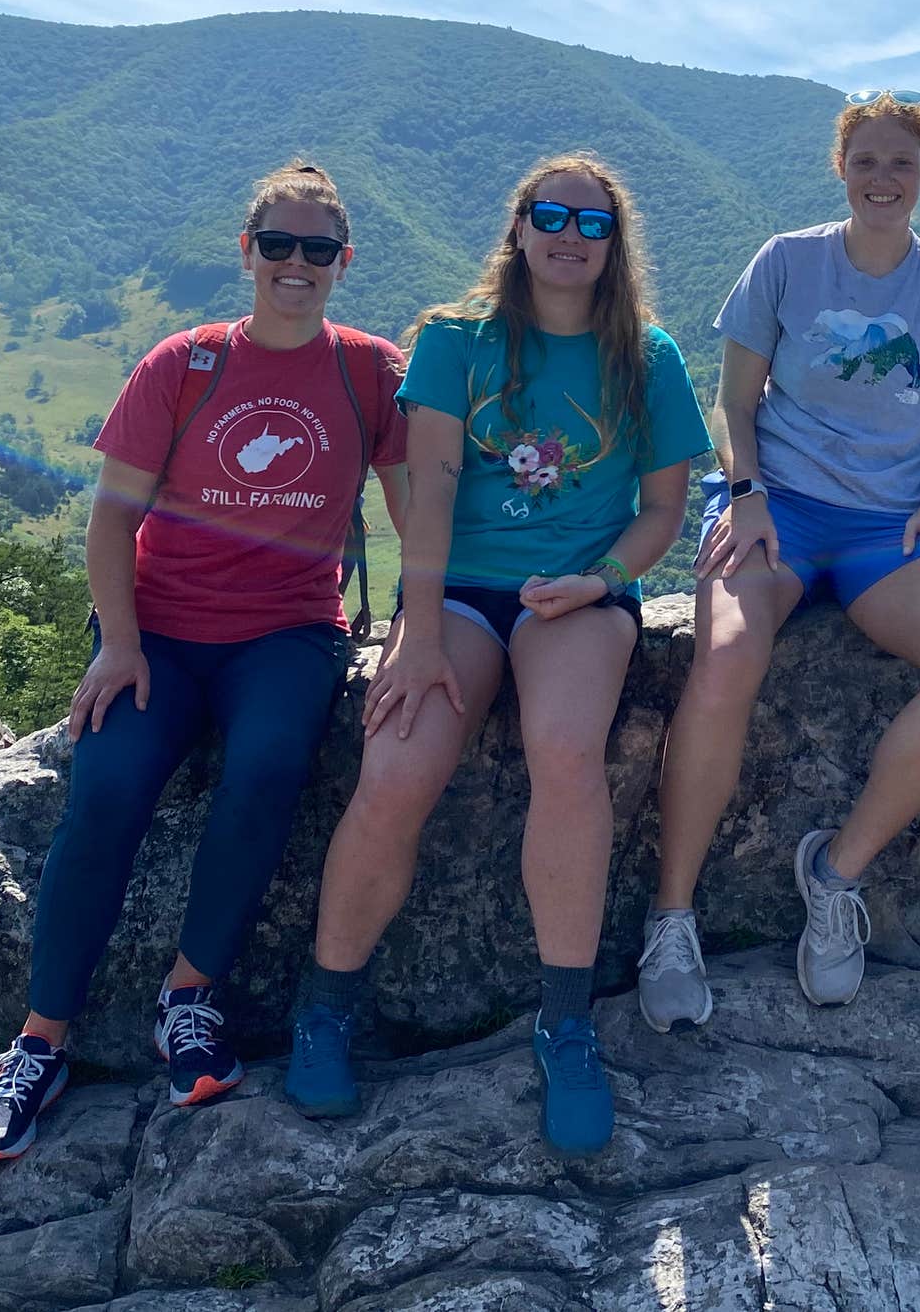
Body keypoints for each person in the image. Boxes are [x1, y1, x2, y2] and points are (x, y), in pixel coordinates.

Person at [0, 161, 407, 1162]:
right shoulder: (185, 362)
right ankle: (39, 1042)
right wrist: (116, 640)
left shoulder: (368, 369)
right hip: (158, 626)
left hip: (288, 628)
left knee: (266, 770)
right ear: (245, 252)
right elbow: (113, 512)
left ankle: (189, 994)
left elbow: (421, 491)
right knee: (106, 790)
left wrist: (426, 613)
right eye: (279, 245)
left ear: (343, 262)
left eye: (318, 249)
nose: (298, 265)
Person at [283, 154, 710, 1156]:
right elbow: (427, 487)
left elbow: (662, 512)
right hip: (458, 591)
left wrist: (601, 577)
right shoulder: (454, 340)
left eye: (590, 222)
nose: (569, 235)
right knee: (396, 766)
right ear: (518, 228)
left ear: (615, 244)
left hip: (579, 591)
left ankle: (563, 1023)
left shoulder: (647, 357)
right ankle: (326, 1006)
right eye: (549, 215)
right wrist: (416, 628)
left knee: (568, 752)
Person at [639, 89, 920, 1032]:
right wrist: (749, 491)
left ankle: (835, 873)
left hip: (888, 525)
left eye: (901, 162)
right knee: (724, 658)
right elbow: (732, 401)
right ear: (840, 170)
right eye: (866, 161)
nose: (883, 178)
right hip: (780, 506)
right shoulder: (787, 262)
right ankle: (672, 915)